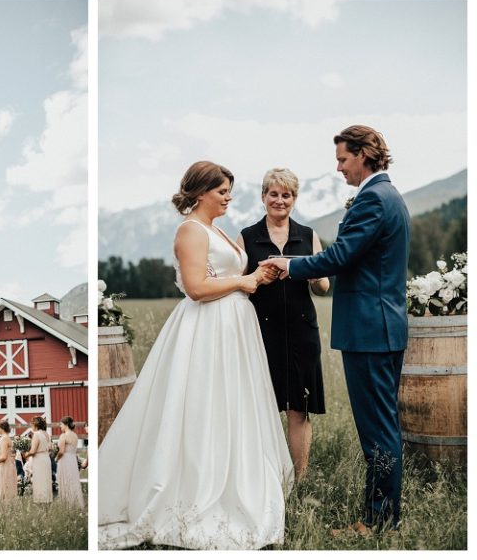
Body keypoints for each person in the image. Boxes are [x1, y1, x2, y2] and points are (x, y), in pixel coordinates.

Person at [98, 161, 293, 550]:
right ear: (201, 192)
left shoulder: (216, 229)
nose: (228, 197)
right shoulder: (190, 230)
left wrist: (258, 275)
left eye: (229, 191)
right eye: (222, 191)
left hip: (234, 327)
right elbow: (197, 287)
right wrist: (246, 280)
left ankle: (240, 481)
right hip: (208, 328)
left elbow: (225, 276)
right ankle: (196, 489)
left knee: (233, 403)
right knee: (204, 403)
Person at [262, 125, 410, 534]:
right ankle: (384, 516)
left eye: (343, 159)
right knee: (383, 426)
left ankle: (379, 521)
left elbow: (340, 256)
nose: (340, 167)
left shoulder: (374, 199)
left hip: (370, 329)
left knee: (378, 430)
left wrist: (287, 264)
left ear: (363, 154)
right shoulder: (389, 196)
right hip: (381, 326)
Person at [238, 168, 330, 481]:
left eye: (286, 195)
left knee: (299, 408)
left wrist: (313, 275)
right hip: (260, 333)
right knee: (261, 408)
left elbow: (324, 287)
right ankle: (264, 478)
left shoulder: (308, 234)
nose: (280, 200)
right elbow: (238, 284)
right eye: (274, 194)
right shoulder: (247, 237)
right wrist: (257, 278)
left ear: (294, 199)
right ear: (263, 197)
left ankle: (300, 479)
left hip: (303, 332)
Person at [56, 416, 84, 508]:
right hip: (72, 460)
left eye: (61, 424)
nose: (60, 426)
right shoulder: (75, 436)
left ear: (66, 425)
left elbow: (61, 451)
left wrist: (56, 459)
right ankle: (75, 502)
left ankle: (67, 503)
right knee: (73, 480)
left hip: (64, 460)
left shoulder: (63, 436)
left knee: (65, 480)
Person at [25, 416, 52, 504]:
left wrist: (26, 454)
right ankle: (47, 501)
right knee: (46, 481)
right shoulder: (47, 434)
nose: (31, 426)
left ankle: (40, 501)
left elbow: (33, 451)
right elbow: (50, 448)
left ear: (35, 424)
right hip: (46, 458)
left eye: (32, 424)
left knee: (40, 481)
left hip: (39, 459)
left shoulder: (36, 434)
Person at [0, 419, 17, 502]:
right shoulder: (4, 438)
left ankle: (5, 508)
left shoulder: (4, 439)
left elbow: (3, 456)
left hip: (5, 466)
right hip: (3, 465)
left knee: (4, 489)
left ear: (2, 428)